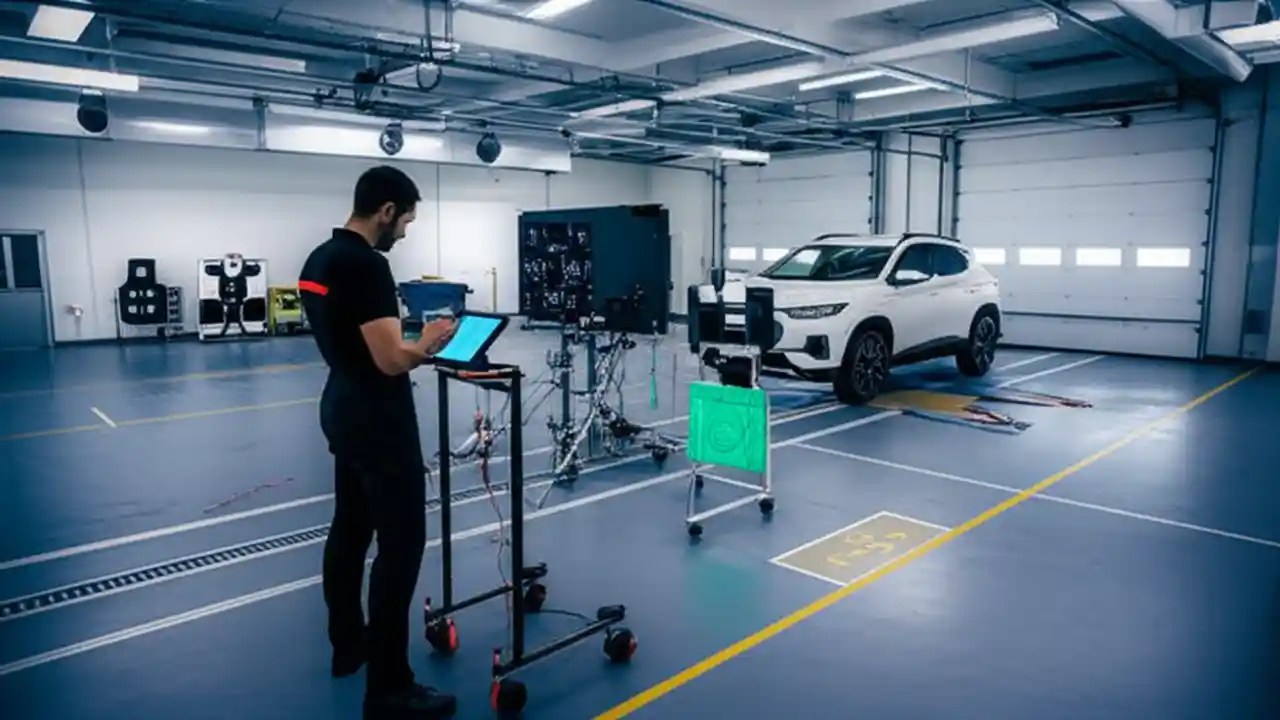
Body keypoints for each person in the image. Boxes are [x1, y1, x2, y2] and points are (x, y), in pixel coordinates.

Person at [298, 165, 457, 719]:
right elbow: (391, 359)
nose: (406, 232)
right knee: (400, 549)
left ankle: (350, 646)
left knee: (349, 534)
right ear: (386, 210)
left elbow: (356, 338)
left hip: (342, 409)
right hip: (380, 423)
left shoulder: (319, 260)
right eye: (406, 219)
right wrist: (430, 341)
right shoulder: (367, 265)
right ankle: (389, 688)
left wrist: (397, 338)